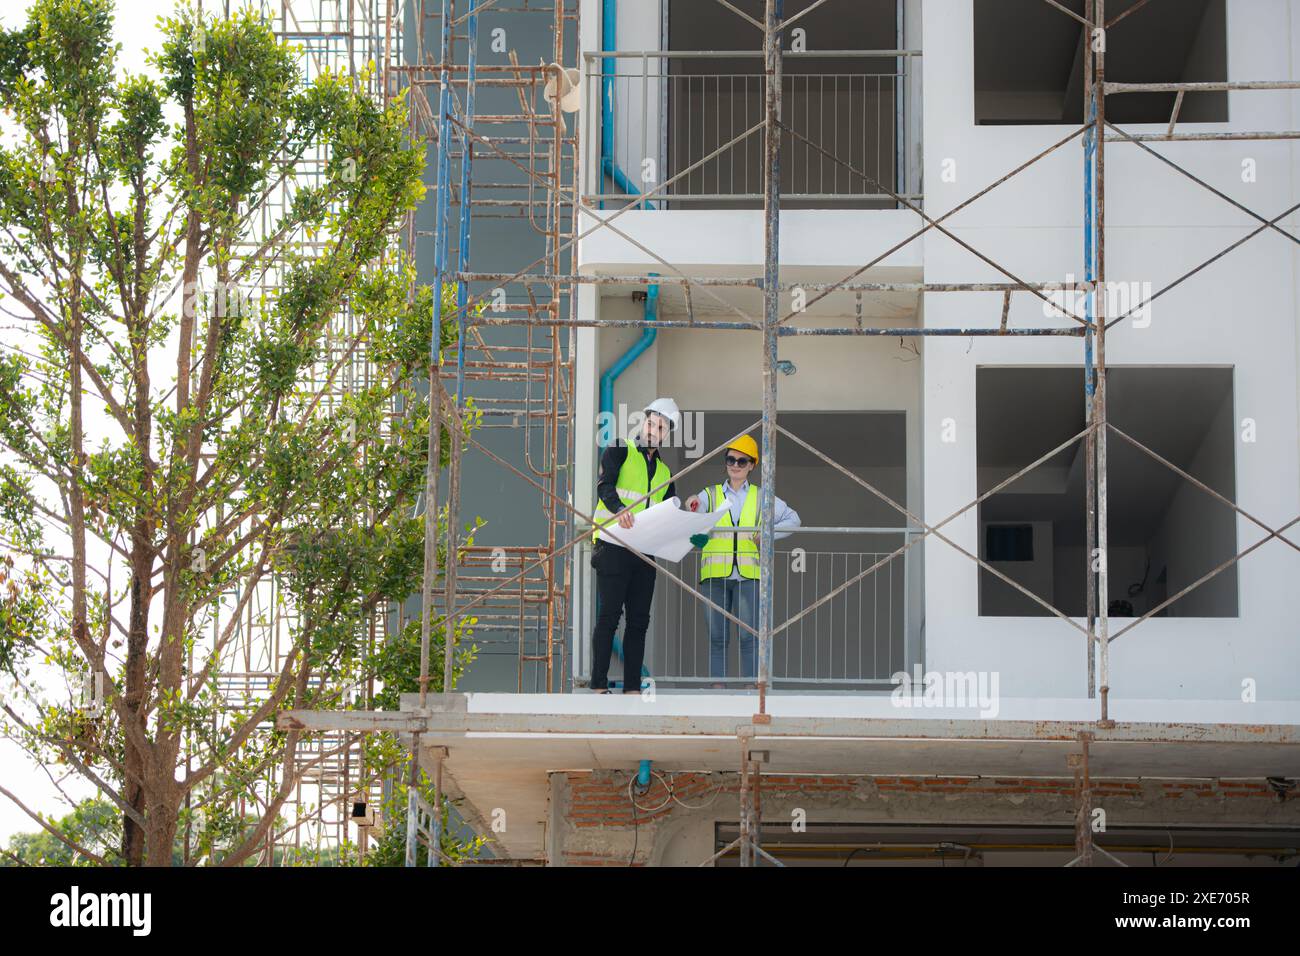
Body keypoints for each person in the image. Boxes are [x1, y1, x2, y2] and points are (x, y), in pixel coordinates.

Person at [685, 434, 800, 686]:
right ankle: (718, 689)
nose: (735, 465)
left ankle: (750, 688)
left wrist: (768, 535)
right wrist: (691, 501)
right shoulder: (711, 493)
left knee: (749, 636)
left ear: (752, 465)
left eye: (741, 461)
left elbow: (794, 519)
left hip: (748, 576)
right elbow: (693, 509)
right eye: (730, 460)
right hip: (715, 575)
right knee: (717, 637)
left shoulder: (762, 496)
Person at [589, 398, 680, 694]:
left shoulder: (666, 472)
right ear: (644, 423)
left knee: (639, 621)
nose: (654, 430)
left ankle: (631, 687)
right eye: (651, 423)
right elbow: (604, 486)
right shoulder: (619, 449)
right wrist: (619, 510)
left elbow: (668, 512)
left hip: (644, 552)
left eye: (661, 427)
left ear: (667, 433)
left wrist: (688, 514)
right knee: (609, 617)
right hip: (613, 544)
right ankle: (599, 685)